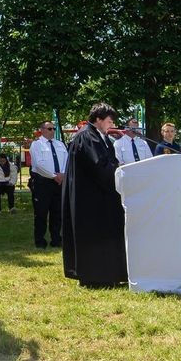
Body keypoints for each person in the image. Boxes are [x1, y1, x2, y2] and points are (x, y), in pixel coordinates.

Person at [62, 103, 127, 287]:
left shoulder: (101, 137)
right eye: (109, 120)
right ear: (98, 119)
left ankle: (109, 274)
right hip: (90, 198)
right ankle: (96, 277)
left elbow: (110, 162)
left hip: (103, 196)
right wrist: (118, 172)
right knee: (94, 236)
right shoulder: (87, 137)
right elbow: (99, 167)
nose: (111, 124)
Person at [29, 121, 68, 248]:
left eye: (54, 128)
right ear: (42, 130)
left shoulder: (60, 144)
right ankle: (40, 240)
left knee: (57, 213)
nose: (52, 131)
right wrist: (53, 175)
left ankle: (56, 239)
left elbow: (67, 160)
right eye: (50, 128)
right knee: (41, 213)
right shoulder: (36, 145)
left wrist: (62, 174)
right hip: (43, 182)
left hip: (59, 182)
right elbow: (39, 165)